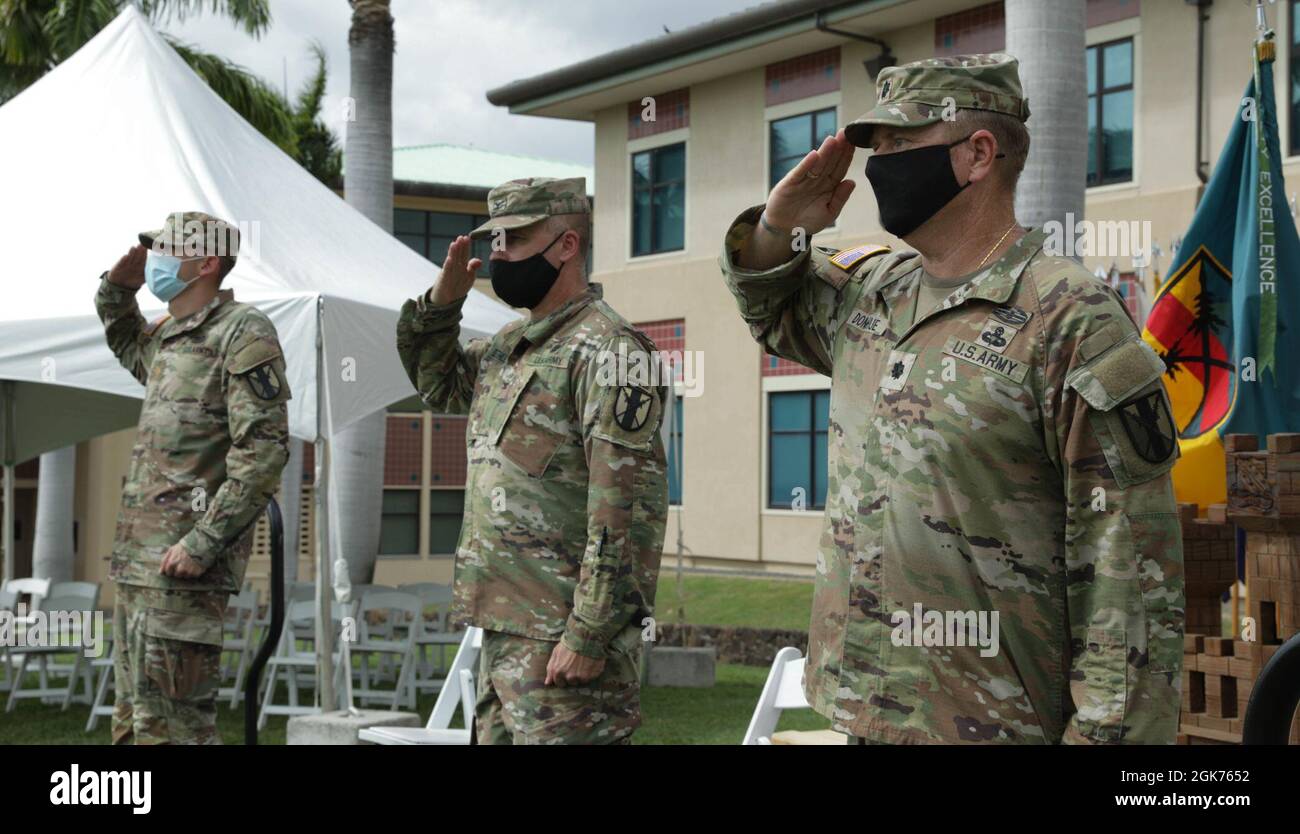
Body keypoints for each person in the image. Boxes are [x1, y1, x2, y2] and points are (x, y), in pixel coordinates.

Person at [719, 54, 1183, 744]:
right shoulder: (871, 291)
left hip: (995, 723)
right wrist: (781, 225)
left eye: (902, 144)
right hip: (866, 712)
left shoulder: (1069, 317)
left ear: (977, 155)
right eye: (879, 147)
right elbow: (770, 303)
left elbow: (1129, 565)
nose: (878, 165)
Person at [396, 177, 668, 744]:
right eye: (494, 240)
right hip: (505, 630)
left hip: (562, 641)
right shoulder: (508, 347)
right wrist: (443, 304)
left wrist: (589, 632)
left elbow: (625, 507)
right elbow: (436, 383)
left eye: (515, 239)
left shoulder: (612, 350)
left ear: (567, 245)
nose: (498, 254)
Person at [96, 211, 290, 744]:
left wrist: (203, 542)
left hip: (184, 569)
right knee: (134, 726)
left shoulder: (242, 331)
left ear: (205, 263)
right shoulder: (169, 339)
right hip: (140, 564)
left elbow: (264, 452)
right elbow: (124, 337)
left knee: (177, 730)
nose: (156, 258)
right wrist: (118, 287)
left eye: (166, 250)